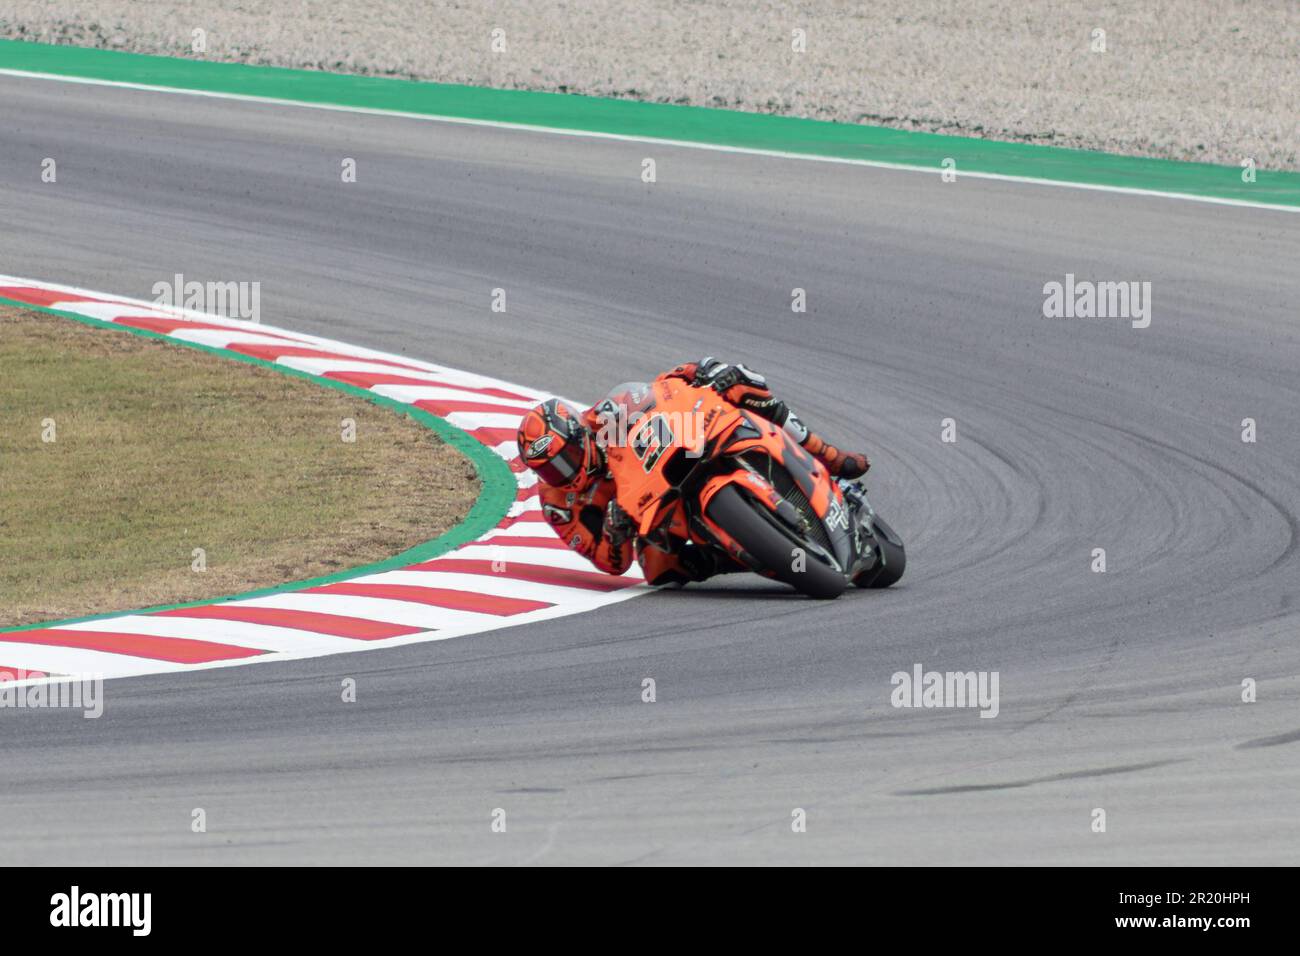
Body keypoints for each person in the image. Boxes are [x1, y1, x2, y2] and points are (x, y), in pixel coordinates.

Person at [515, 358, 870, 585]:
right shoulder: (559, 506)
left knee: (740, 382)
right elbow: (611, 564)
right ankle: (753, 553)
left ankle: (829, 457)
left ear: (581, 435)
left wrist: (698, 372)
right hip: (660, 513)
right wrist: (615, 529)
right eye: (548, 471)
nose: (564, 473)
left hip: (686, 450)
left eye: (565, 458)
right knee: (657, 568)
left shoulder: (605, 418)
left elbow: (662, 391)